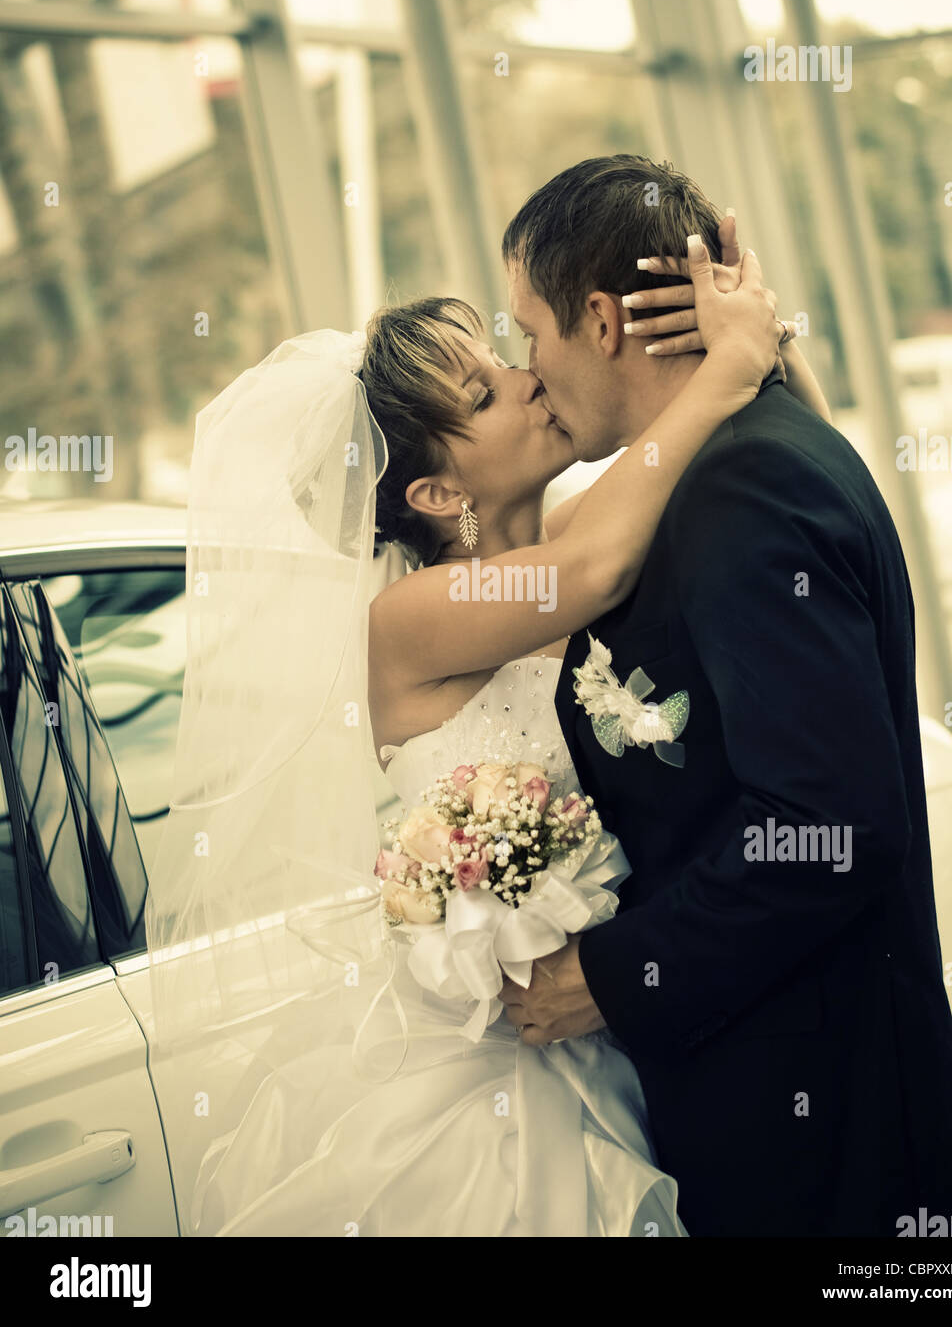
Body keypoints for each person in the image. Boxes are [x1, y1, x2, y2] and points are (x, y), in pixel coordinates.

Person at [146, 177, 823, 1235]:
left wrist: (763, 338)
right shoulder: (412, 619)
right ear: (433, 496)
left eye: (504, 356)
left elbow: (752, 475)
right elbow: (594, 572)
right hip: (482, 1091)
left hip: (618, 1022)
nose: (525, 377)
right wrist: (729, 363)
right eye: (480, 393)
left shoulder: (571, 534)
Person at [494, 154, 952, 1236]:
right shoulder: (734, 455)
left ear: (598, 320)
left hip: (821, 1121)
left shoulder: (742, 486)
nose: (526, 366)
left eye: (527, 331)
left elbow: (828, 825)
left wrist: (617, 975)